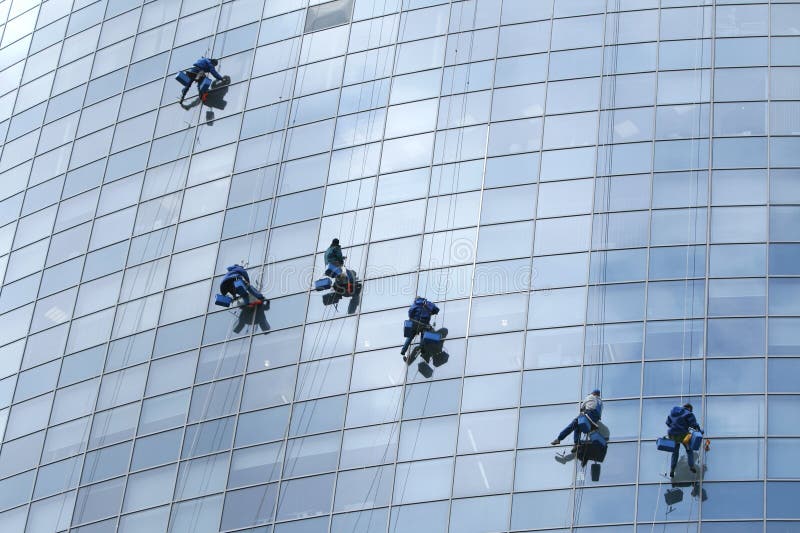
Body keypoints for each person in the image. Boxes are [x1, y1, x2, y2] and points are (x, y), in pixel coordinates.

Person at [666, 403, 703, 477]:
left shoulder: (673, 412)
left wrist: (674, 427)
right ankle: (691, 466)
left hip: (672, 434)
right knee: (689, 450)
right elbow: (694, 424)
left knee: (675, 452)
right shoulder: (689, 413)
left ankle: (672, 469)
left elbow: (668, 423)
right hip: (683, 435)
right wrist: (699, 430)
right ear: (689, 408)